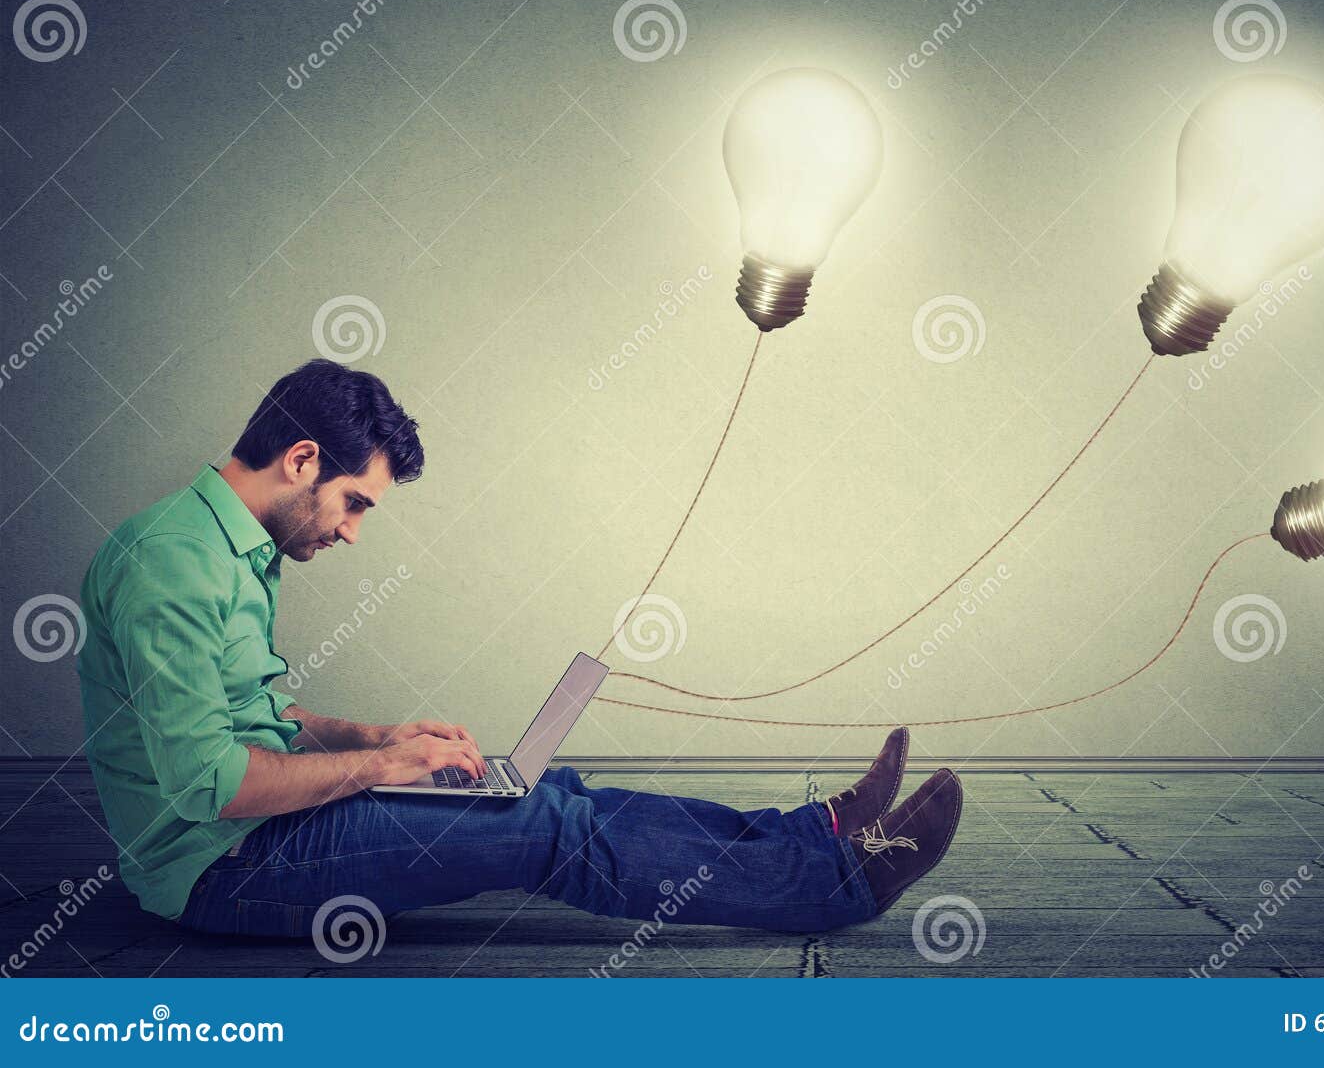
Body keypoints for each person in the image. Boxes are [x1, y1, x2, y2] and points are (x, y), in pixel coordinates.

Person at [76, 359, 963, 939]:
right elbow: (213, 783)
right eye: (356, 503)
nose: (352, 534)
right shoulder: (172, 567)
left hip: (267, 828)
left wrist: (374, 737)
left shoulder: (225, 547)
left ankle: (820, 831)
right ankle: (840, 881)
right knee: (541, 828)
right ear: (303, 458)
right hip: (225, 871)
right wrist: (381, 769)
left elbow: (255, 716)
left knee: (545, 790)